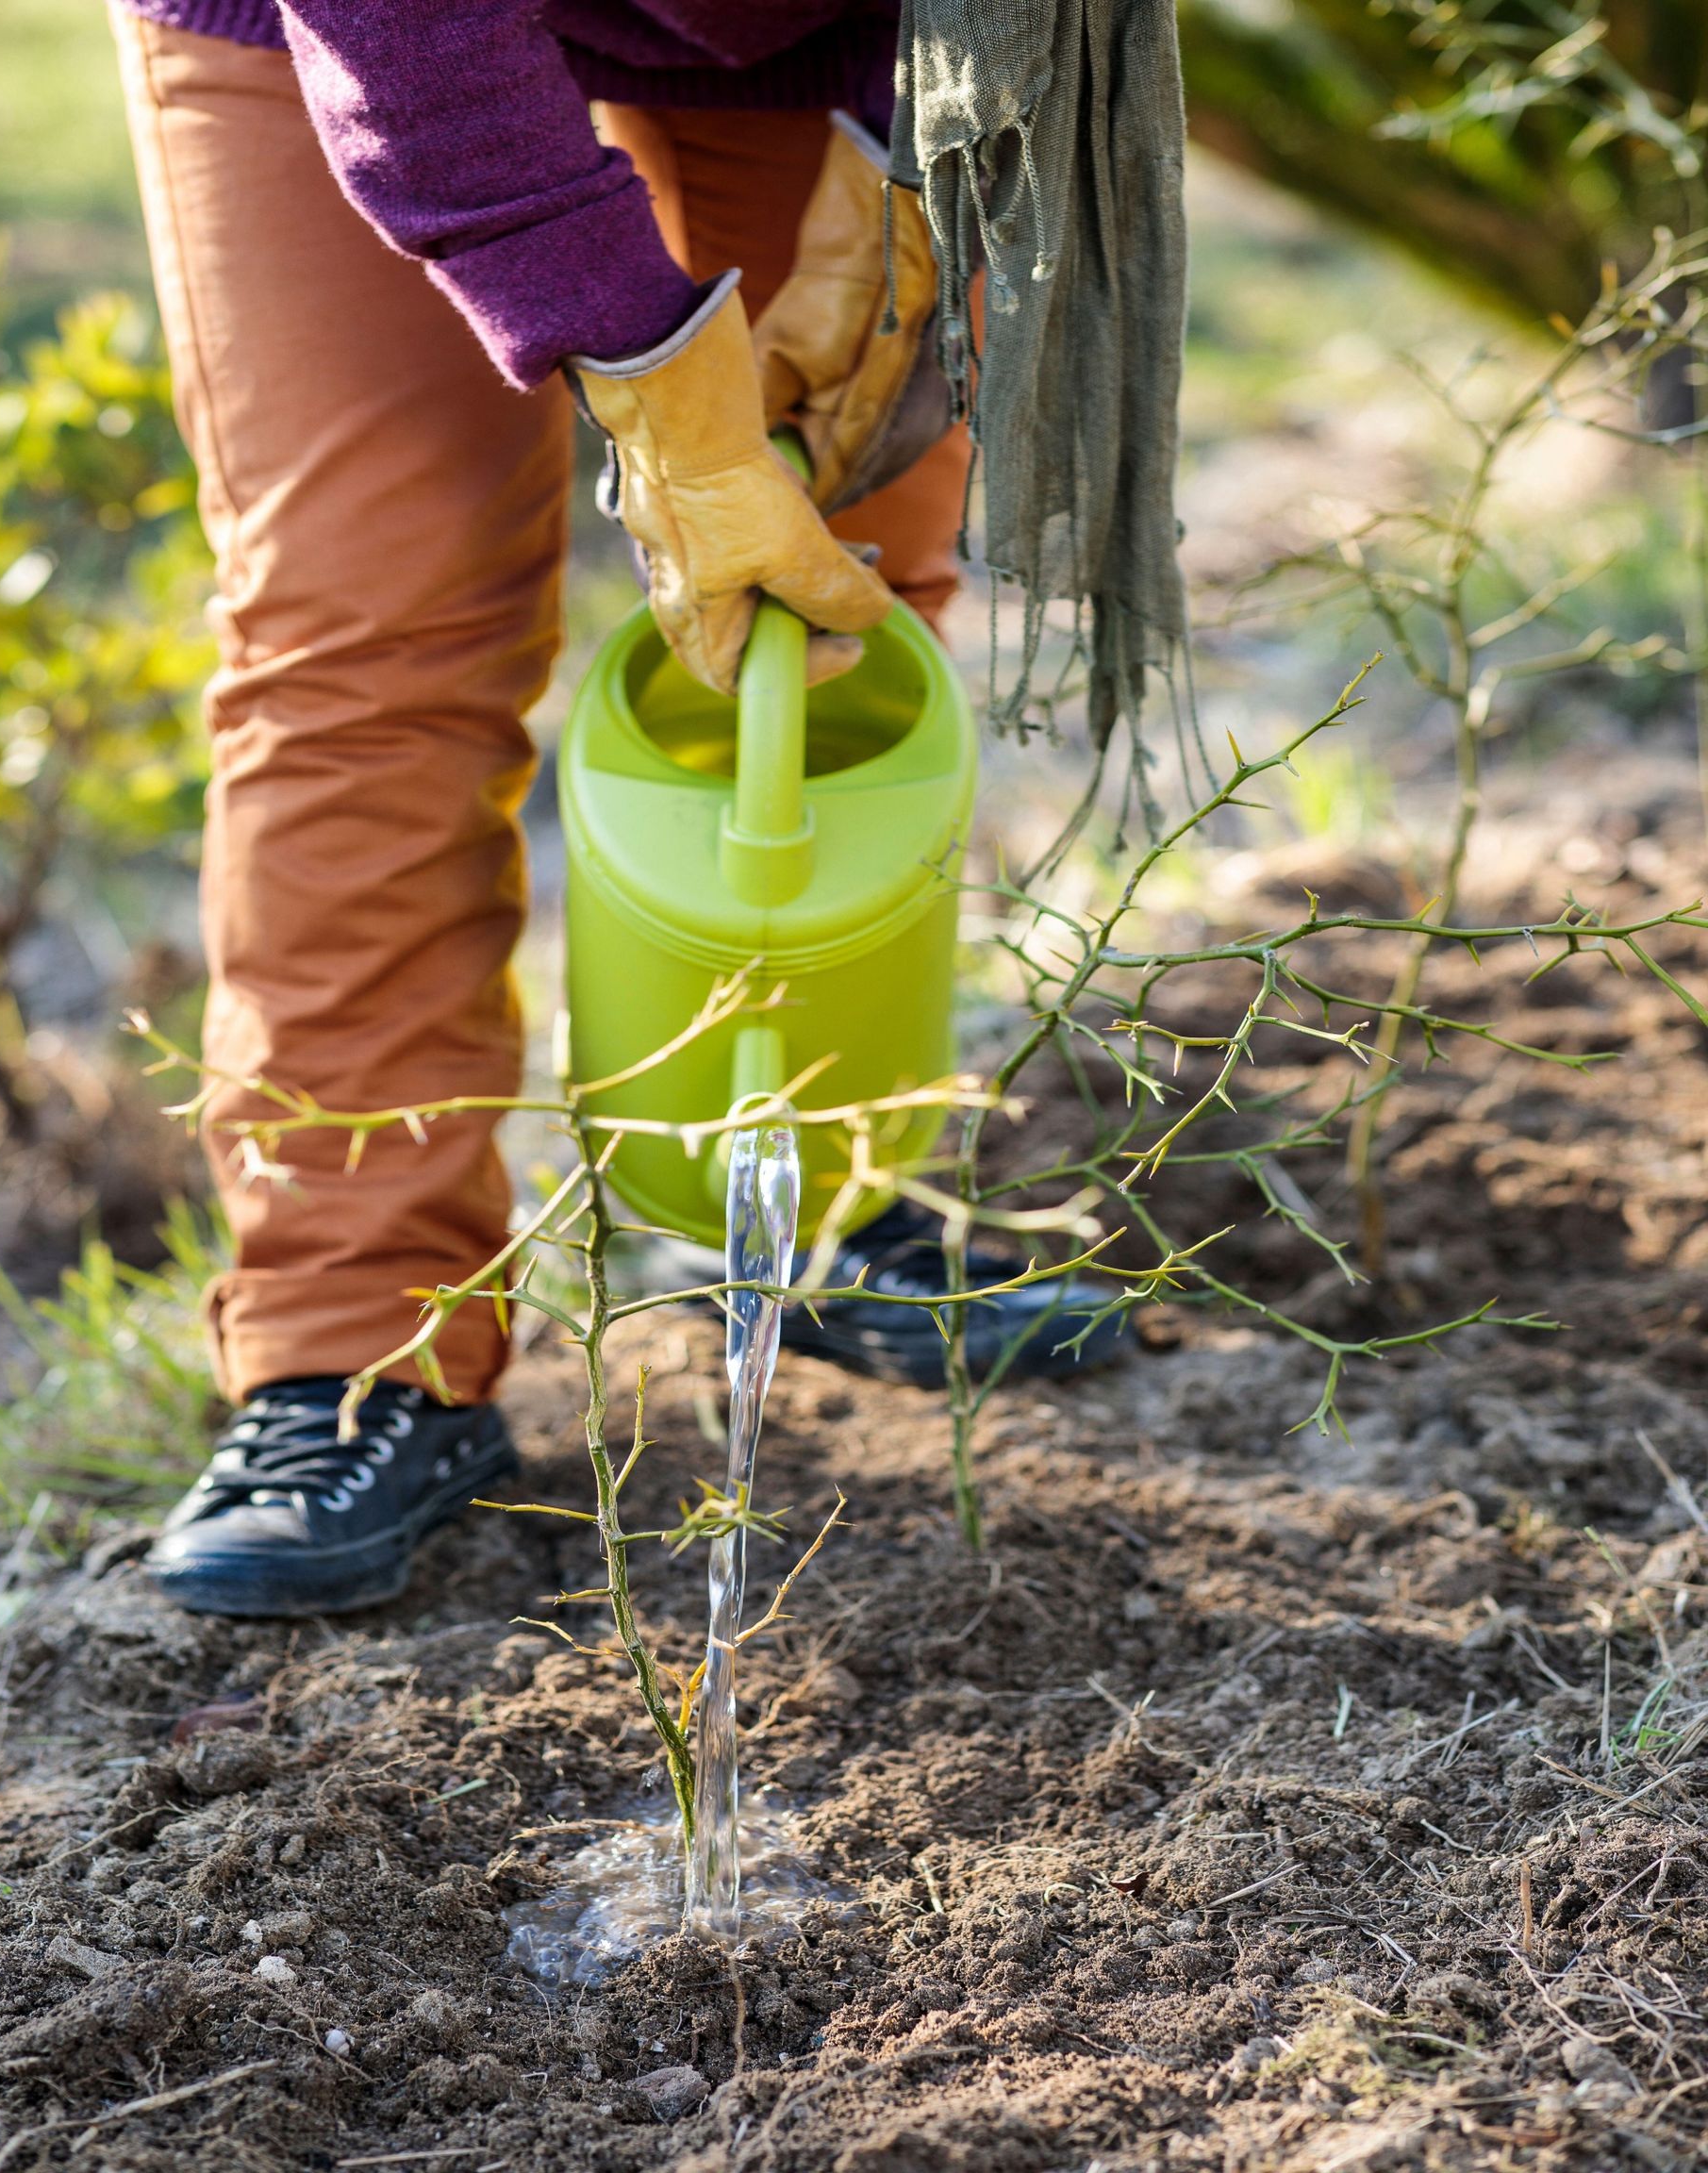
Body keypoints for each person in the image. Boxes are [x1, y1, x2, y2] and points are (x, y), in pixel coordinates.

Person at [111, 0, 1122, 1620]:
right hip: (363, 39)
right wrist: (619, 335)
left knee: (831, 602)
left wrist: (898, 155)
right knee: (367, 644)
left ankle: (823, 1188)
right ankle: (354, 1356)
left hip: (845, 37)